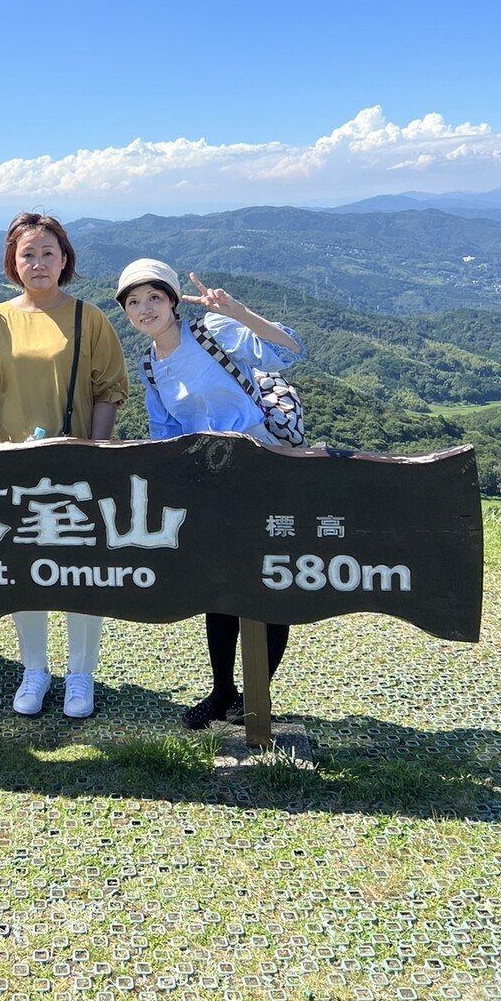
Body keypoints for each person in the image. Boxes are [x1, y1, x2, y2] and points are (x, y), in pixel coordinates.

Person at [115, 257, 305, 729]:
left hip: (263, 467)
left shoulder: (213, 330)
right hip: (211, 480)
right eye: (133, 303)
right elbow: (165, 434)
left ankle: (255, 695)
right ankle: (223, 692)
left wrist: (239, 311)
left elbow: (290, 349)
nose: (144, 309)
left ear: (174, 300)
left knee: (270, 582)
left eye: (154, 298)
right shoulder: (149, 365)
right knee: (219, 588)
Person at [0, 212, 129, 720]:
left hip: (75, 466)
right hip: (11, 463)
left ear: (64, 260)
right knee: (24, 574)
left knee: (81, 574)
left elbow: (108, 390)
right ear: (13, 261)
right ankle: (35, 669)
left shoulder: (87, 317)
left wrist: (95, 455)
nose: (38, 262)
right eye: (27, 253)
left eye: (48, 253)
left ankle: (81, 675)